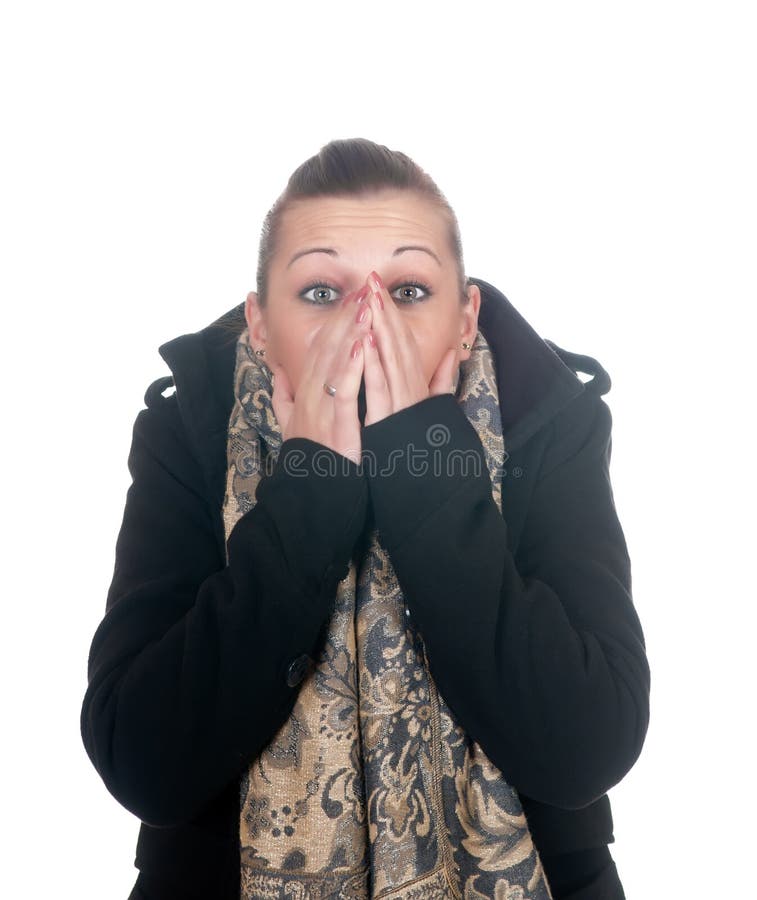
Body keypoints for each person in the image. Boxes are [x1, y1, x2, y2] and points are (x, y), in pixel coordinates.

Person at [80, 138, 650, 900]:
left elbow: (585, 749)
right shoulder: (191, 429)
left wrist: (424, 467)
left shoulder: (547, 419)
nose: (368, 326)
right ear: (259, 323)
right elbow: (144, 764)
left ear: (465, 316)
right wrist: (310, 486)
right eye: (322, 291)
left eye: (408, 291)